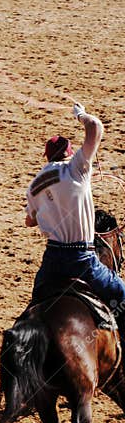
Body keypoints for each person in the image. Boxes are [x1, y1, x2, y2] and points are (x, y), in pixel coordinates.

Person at [25, 103, 125, 321]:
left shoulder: (34, 185)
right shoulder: (76, 168)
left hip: (52, 260)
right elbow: (95, 126)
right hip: (81, 258)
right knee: (121, 295)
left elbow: (29, 221)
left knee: (35, 305)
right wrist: (81, 114)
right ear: (69, 155)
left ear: (47, 158)